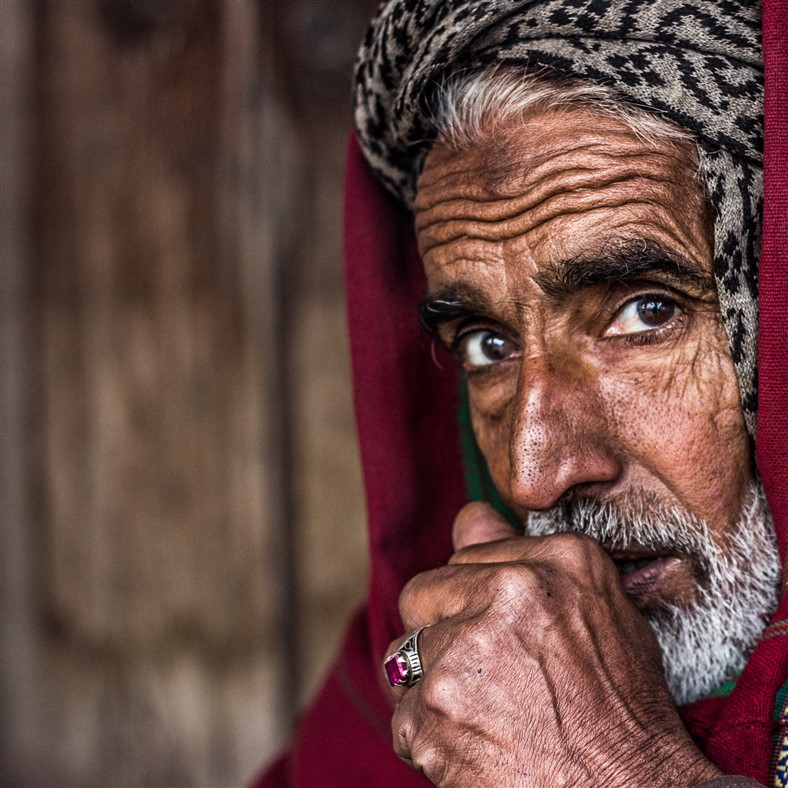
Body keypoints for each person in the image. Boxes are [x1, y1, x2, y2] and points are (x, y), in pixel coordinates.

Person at [256, 0, 787, 785]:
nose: (534, 473)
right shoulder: (411, 696)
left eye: (644, 313)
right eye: (486, 345)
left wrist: (618, 767)